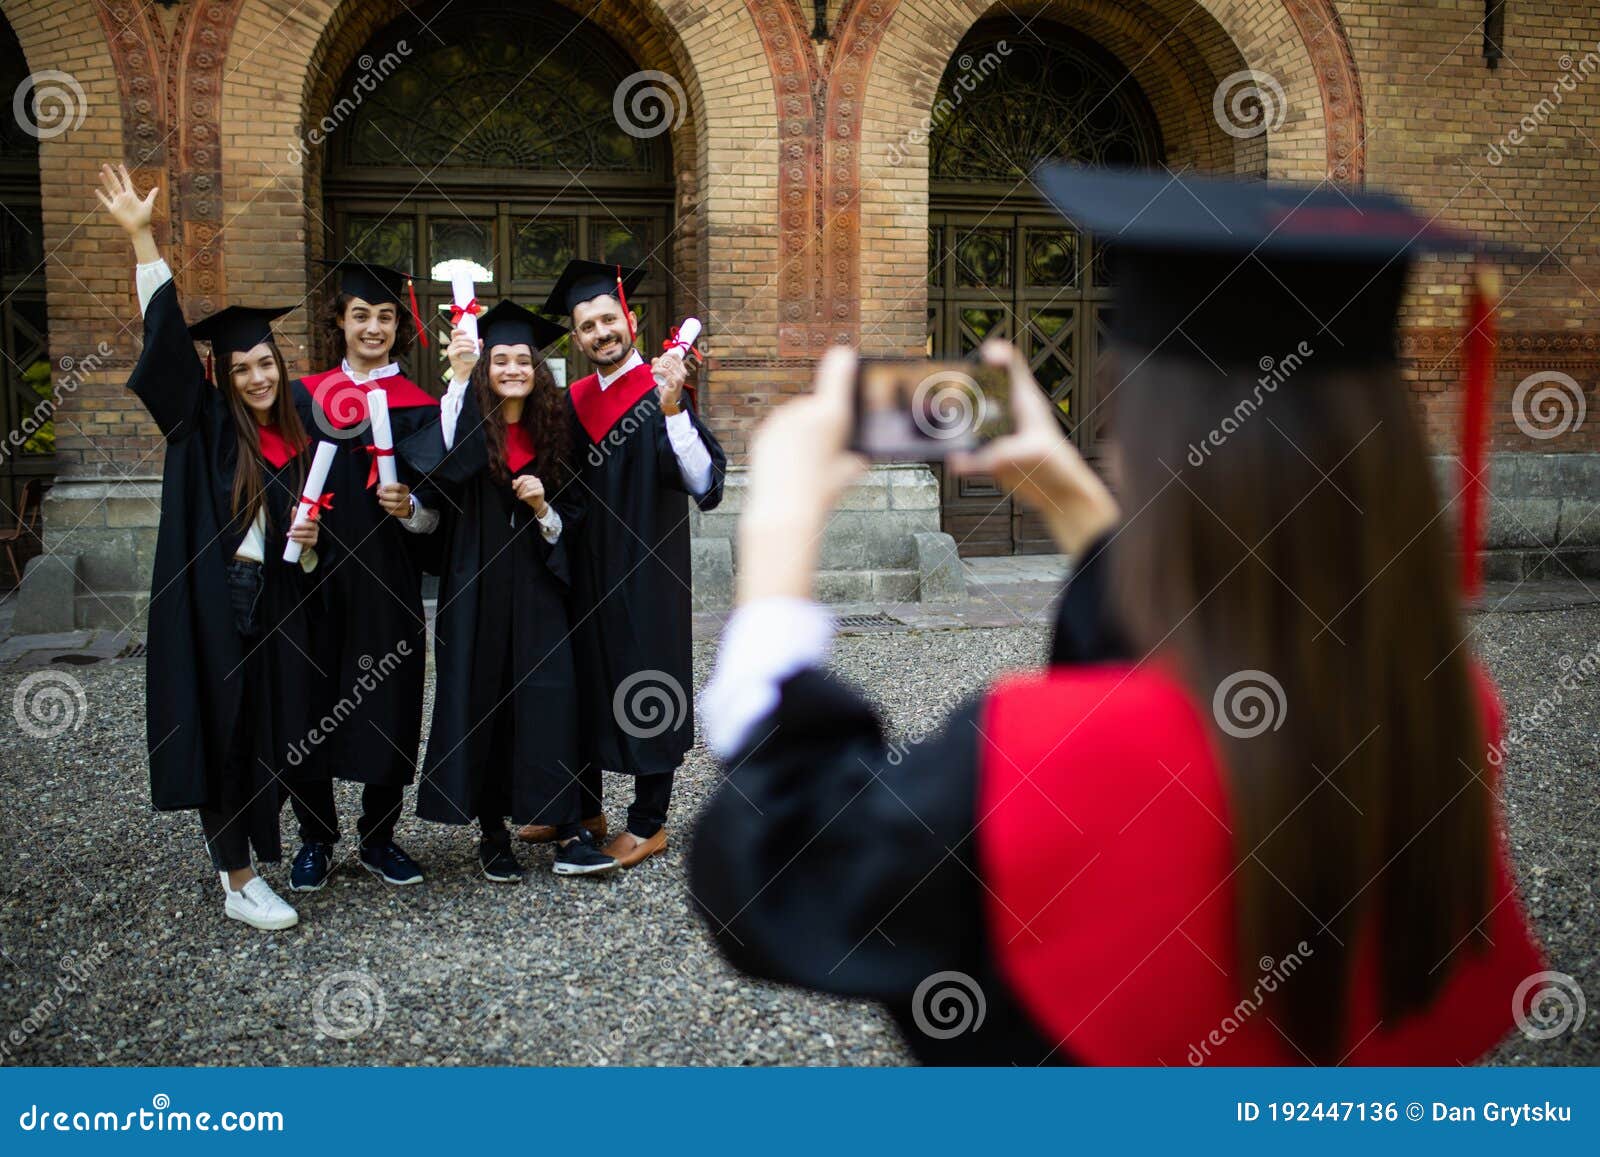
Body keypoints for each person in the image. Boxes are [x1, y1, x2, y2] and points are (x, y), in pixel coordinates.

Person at [688, 168, 1546, 1065]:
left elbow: (781, 862)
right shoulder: (1445, 706)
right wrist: (1067, 496)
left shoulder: (1046, 758)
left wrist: (779, 534)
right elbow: (1207, 647)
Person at [98, 163, 322, 931]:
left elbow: (303, 533)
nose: (257, 376)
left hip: (276, 606)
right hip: (215, 609)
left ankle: (258, 854)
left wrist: (312, 538)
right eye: (242, 367)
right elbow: (163, 352)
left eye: (266, 363)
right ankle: (236, 879)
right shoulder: (201, 424)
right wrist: (142, 239)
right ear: (222, 375)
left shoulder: (293, 426)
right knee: (224, 733)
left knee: (266, 730)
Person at [401, 302, 618, 879]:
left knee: (554, 696)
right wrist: (458, 372)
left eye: (525, 360)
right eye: (502, 360)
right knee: (484, 699)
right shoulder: (468, 429)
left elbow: (576, 514)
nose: (515, 368)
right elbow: (435, 488)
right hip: (476, 590)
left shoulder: (557, 432)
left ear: (538, 370)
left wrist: (544, 507)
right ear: (486, 369)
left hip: (543, 587)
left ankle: (569, 826)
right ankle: (493, 833)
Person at [526, 260, 726, 867]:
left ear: (631, 321)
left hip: (647, 572)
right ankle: (586, 809)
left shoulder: (663, 392)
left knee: (646, 681)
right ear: (578, 337)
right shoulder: (573, 402)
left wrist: (671, 410)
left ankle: (648, 822)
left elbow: (702, 481)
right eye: (587, 326)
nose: (600, 333)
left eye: (608, 320)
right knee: (583, 681)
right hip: (584, 571)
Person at [285, 258, 440, 891]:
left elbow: (441, 517)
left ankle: (379, 836)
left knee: (389, 704)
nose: (372, 328)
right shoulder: (304, 397)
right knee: (307, 702)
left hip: (388, 580)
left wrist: (413, 510)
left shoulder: (422, 407)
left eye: (384, 316)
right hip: (314, 581)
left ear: (398, 326)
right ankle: (315, 838)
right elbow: (274, 486)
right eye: (360, 316)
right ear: (340, 323)